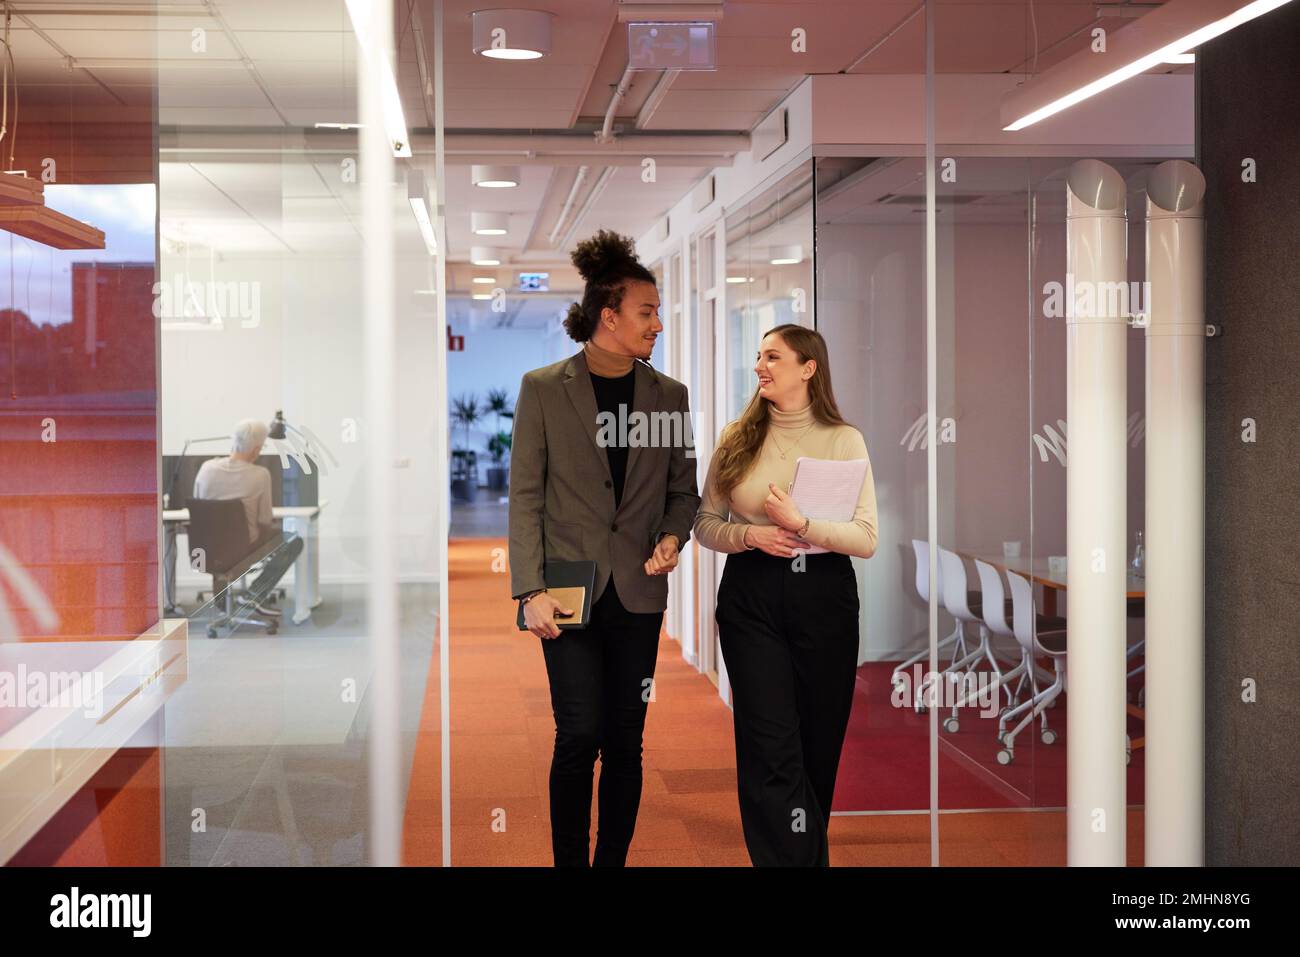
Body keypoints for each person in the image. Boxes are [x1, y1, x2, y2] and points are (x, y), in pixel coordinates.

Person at [509, 229, 700, 867]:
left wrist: (673, 536)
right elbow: (526, 497)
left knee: (626, 738)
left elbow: (684, 490)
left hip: (639, 594)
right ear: (608, 317)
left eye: (658, 312)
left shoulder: (668, 396)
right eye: (647, 312)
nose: (658, 324)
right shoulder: (543, 388)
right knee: (577, 734)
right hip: (566, 588)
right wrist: (528, 590)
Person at [694, 323, 878, 866]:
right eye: (757, 357)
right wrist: (751, 534)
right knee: (768, 743)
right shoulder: (736, 437)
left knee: (818, 744)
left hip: (825, 596)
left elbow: (866, 539)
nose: (760, 367)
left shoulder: (845, 439)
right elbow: (705, 524)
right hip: (751, 595)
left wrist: (803, 523)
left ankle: (803, 851)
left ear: (808, 368)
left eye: (773, 357)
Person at [193, 419, 303, 620]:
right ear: (256, 450)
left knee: (219, 543)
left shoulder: (206, 469)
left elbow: (198, 510)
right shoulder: (261, 474)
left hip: (206, 550)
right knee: (293, 540)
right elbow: (265, 519)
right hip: (244, 550)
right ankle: (253, 595)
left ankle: (221, 596)